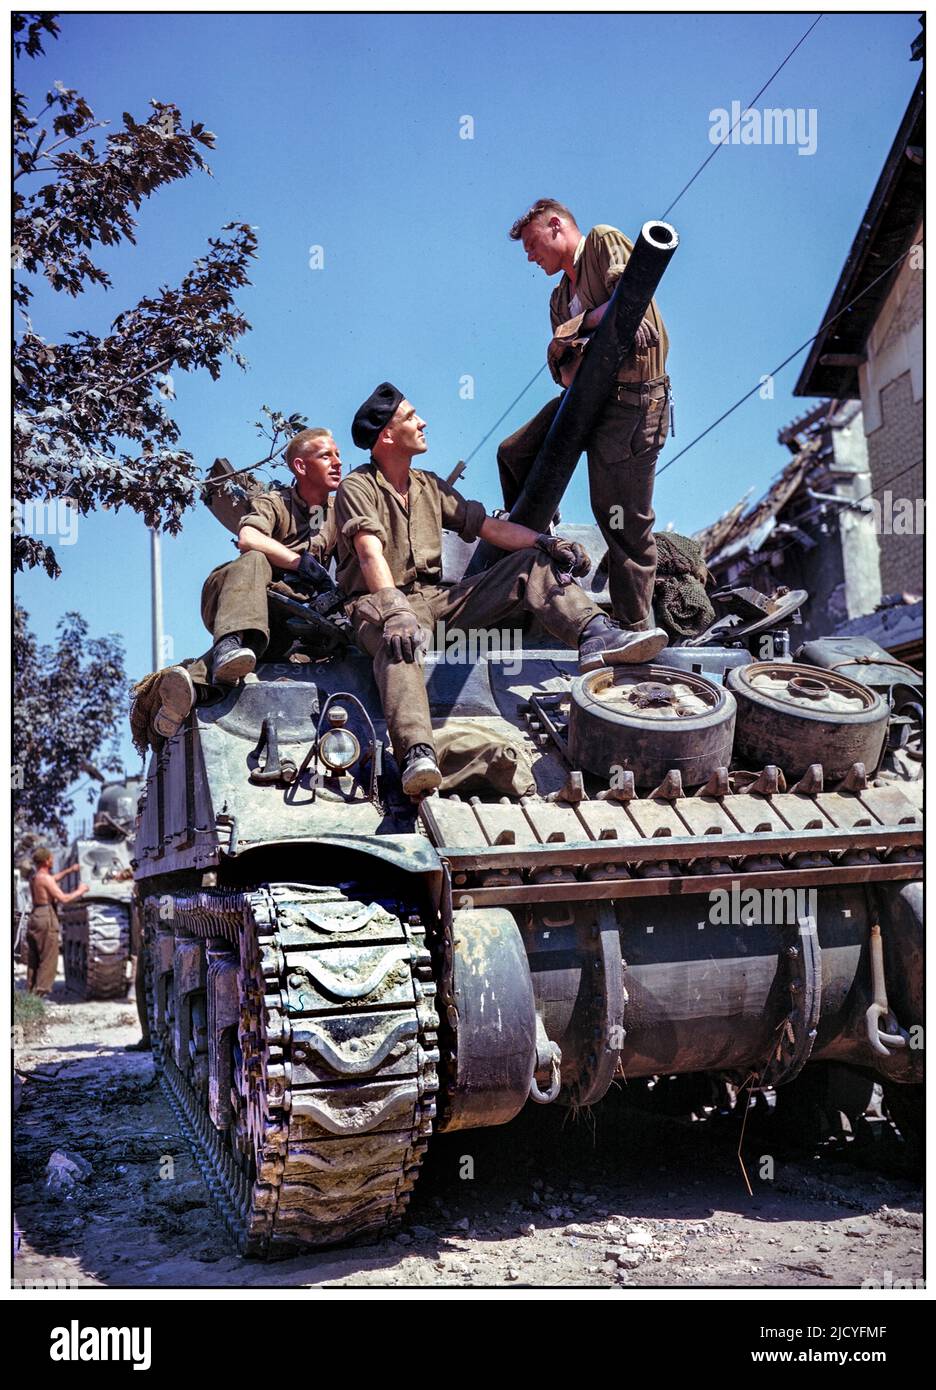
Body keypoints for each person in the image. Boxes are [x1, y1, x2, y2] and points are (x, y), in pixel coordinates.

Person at [336, 383, 669, 797]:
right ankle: (418, 752)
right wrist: (393, 610)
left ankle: (595, 635)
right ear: (386, 435)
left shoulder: (428, 486)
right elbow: (369, 553)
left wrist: (542, 543)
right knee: (400, 643)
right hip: (377, 604)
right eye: (410, 417)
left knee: (529, 564)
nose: (422, 422)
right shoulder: (357, 488)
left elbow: (487, 527)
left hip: (435, 601)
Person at [498, 198, 671, 633]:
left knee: (623, 521)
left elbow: (626, 300)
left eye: (533, 246)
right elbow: (564, 368)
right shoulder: (560, 299)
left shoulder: (601, 242)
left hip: (632, 405)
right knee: (513, 453)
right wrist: (586, 328)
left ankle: (634, 629)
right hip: (586, 401)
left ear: (556, 226)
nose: (531, 258)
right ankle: (538, 540)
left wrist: (578, 332)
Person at [137, 427, 342, 743]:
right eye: (326, 455)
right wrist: (300, 563)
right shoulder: (275, 503)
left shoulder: (338, 515)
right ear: (301, 467)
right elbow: (249, 538)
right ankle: (228, 645)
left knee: (255, 666)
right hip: (238, 597)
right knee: (256, 559)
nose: (337, 462)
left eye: (338, 455)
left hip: (288, 625)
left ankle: (189, 691)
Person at [25, 847, 88, 998]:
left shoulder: (35, 877)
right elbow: (64, 899)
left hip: (35, 915)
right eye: (51, 858)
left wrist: (69, 870)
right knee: (49, 956)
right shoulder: (45, 879)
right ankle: (41, 993)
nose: (52, 861)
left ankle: (31, 993)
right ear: (46, 861)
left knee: (34, 957)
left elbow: (52, 879)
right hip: (46, 917)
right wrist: (81, 890)